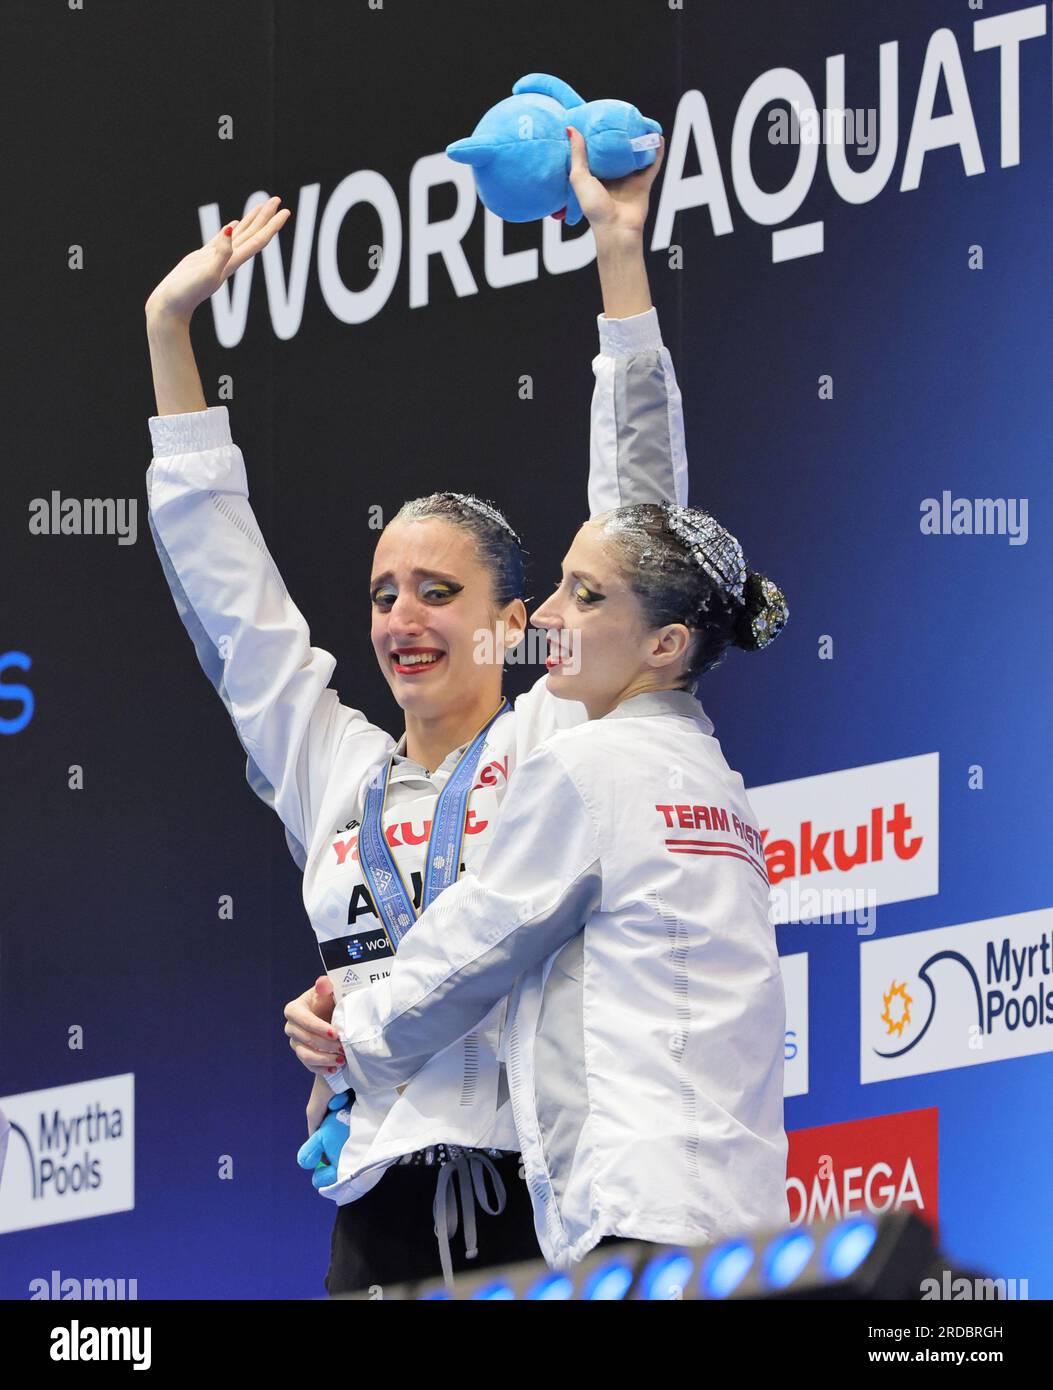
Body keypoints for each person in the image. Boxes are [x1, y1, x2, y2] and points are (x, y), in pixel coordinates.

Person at [145, 129, 687, 1292]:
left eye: (440, 592)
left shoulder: (561, 739)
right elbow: (238, 610)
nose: (402, 617)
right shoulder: (334, 771)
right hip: (376, 1219)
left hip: (546, 1204)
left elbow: (645, 532)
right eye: (385, 592)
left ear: (513, 618)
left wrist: (620, 262)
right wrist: (168, 337)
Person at [323, 500, 792, 1270]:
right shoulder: (719, 783)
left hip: (631, 1214)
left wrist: (345, 1042)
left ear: (666, 644)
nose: (545, 612)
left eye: (584, 593)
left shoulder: (589, 767)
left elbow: (468, 952)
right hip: (740, 1226)